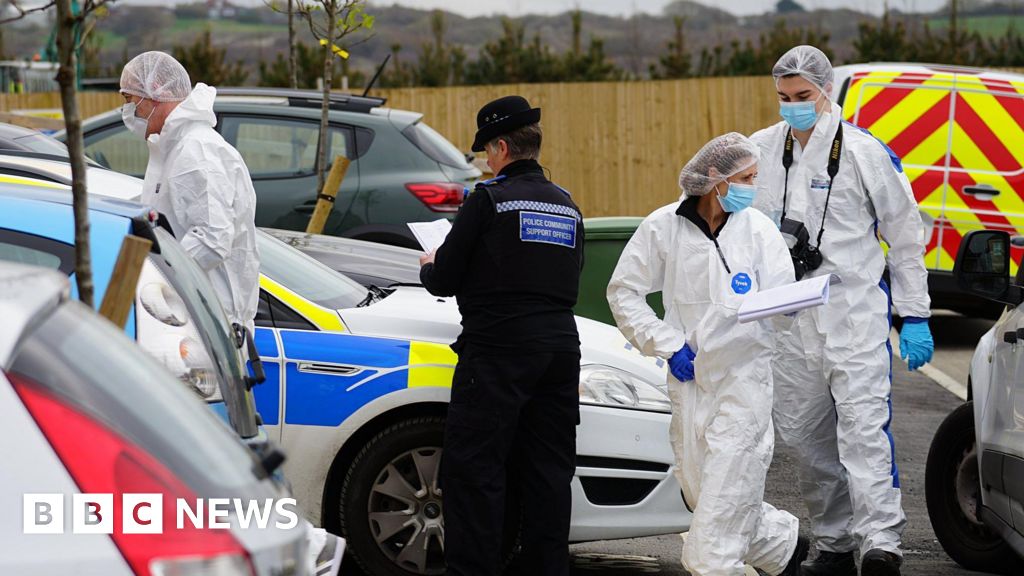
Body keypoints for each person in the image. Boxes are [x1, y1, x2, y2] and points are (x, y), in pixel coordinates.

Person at [749, 45, 934, 576]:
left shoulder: (864, 153)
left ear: (827, 91)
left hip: (852, 316)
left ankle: (881, 544)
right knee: (807, 439)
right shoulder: (761, 151)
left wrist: (914, 314)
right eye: (783, 98)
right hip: (788, 322)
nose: (792, 108)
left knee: (862, 431)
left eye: (803, 97)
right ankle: (832, 544)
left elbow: (905, 237)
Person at [607, 132, 807, 576]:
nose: (752, 187)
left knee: (714, 530)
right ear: (715, 179)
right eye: (746, 178)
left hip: (743, 381)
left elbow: (782, 306)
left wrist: (782, 308)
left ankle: (714, 565)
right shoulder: (663, 227)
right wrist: (667, 343)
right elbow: (624, 293)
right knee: (702, 492)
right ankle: (783, 546)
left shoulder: (759, 231)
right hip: (690, 380)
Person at [419, 95, 584, 576]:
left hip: (497, 351)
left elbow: (447, 278)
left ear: (502, 146)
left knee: (476, 469)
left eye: (487, 152)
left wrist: (431, 266)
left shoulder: (487, 200)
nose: (486, 162)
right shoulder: (567, 205)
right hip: (558, 349)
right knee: (548, 473)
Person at [119, 51, 259, 335]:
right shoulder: (174, 148)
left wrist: (160, 276)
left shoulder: (196, 151)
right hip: (192, 311)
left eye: (131, 100)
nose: (130, 111)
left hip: (211, 320)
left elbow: (212, 239)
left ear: (155, 93)